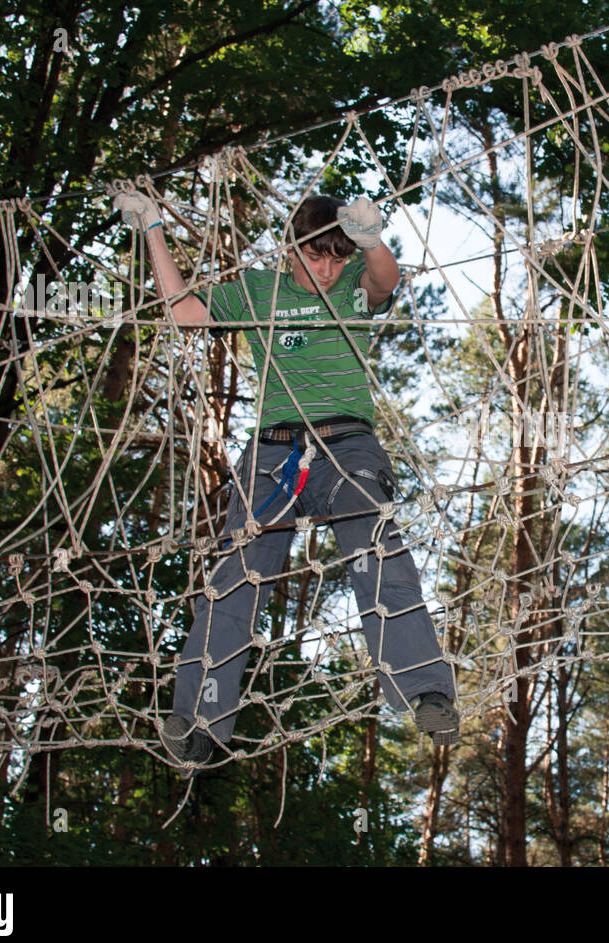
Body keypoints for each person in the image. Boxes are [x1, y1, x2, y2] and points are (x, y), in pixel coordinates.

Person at [112, 188, 459, 769]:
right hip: (274, 453)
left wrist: (370, 241)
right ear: (290, 250)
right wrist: (151, 227)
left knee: (376, 550)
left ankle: (425, 689)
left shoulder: (352, 286)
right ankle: (200, 716)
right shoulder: (256, 291)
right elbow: (181, 312)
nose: (326, 270)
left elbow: (385, 282)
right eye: (315, 256)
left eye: (337, 257)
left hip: (347, 446)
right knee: (238, 576)